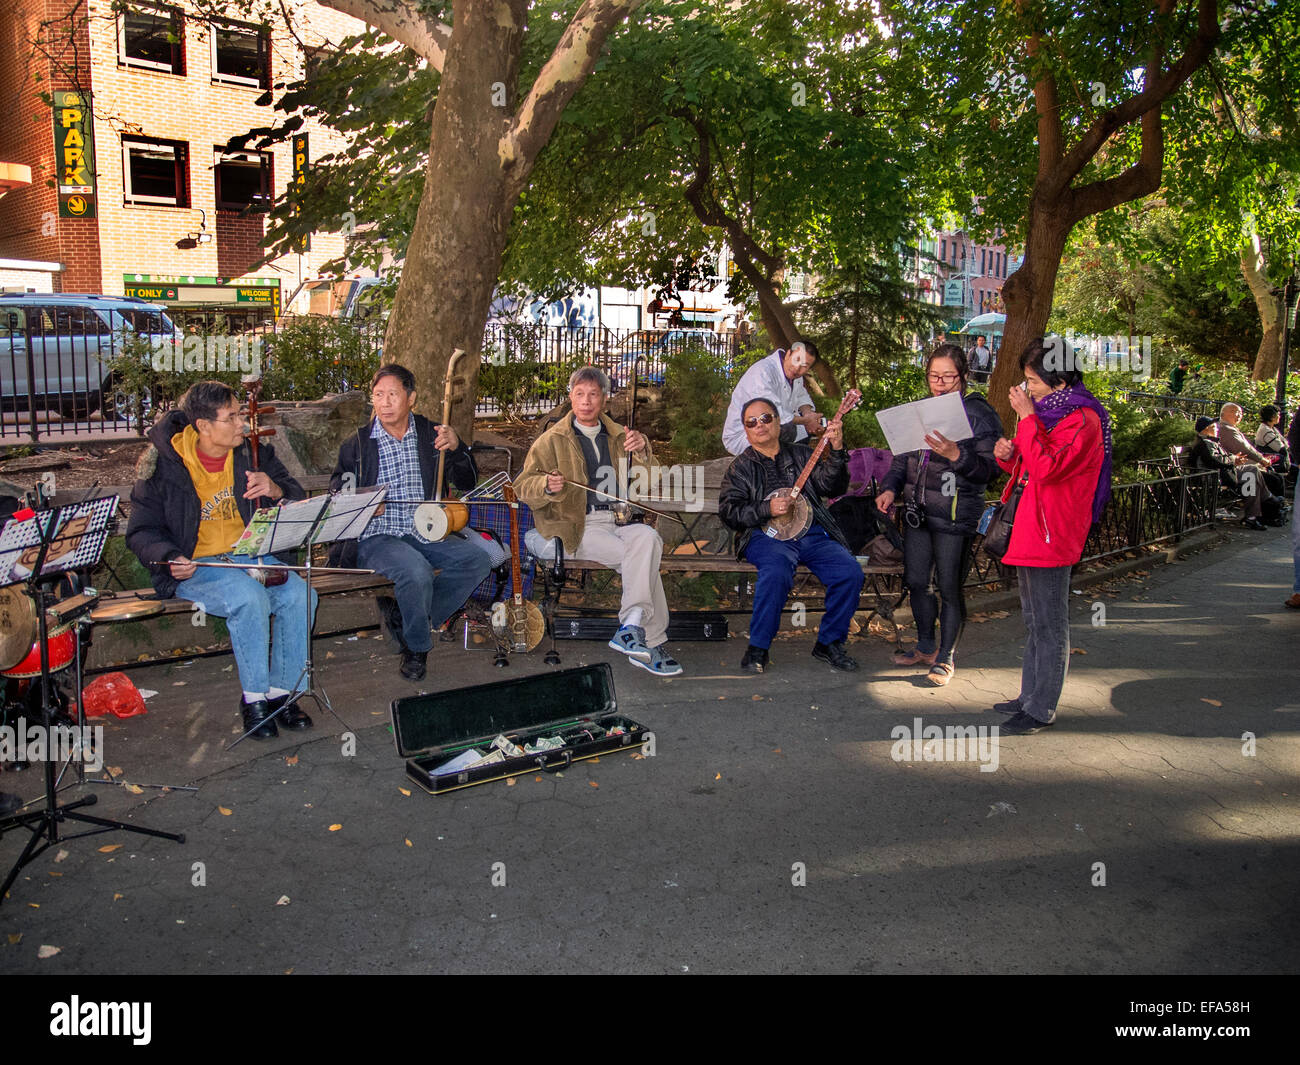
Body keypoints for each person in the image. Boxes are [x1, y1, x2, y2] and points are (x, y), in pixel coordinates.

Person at [125, 381, 318, 739]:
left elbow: (295, 496)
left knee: (300, 595)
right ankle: (255, 698)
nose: (242, 424)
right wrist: (169, 557)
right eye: (231, 417)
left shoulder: (253, 454)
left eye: (241, 414)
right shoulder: (163, 466)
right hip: (200, 565)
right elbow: (140, 532)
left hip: (251, 554)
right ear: (203, 426)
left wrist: (276, 491)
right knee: (248, 598)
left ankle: (283, 694)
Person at [515, 366, 682, 677]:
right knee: (641, 559)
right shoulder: (550, 441)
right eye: (580, 394)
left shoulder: (620, 437)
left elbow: (648, 482)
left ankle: (632, 630)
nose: (586, 401)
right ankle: (647, 638)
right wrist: (545, 487)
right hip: (573, 528)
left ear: (605, 399)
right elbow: (523, 487)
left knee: (648, 539)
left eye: (593, 394)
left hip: (616, 522)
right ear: (570, 398)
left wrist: (644, 452)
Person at [329, 364, 491, 682]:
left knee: (477, 559)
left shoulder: (432, 436)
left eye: (393, 394)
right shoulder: (358, 445)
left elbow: (468, 481)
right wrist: (363, 502)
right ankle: (416, 648)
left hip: (426, 528)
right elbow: (339, 492)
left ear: (411, 397)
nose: (385, 402)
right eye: (378, 395)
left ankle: (405, 618)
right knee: (415, 572)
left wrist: (459, 449)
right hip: (378, 536)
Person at [990, 339, 1111, 735]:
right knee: (1033, 619)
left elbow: (1047, 469)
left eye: (1032, 381)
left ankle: (1041, 707)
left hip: (1052, 531)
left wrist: (1025, 420)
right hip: (1032, 524)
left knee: (1049, 623)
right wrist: (1007, 453)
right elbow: (1027, 465)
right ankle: (1030, 695)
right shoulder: (1053, 413)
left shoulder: (1082, 419)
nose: (1027, 390)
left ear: (1056, 379)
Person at [876, 344, 1003, 686]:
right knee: (917, 581)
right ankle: (926, 646)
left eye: (948, 376)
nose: (941, 384)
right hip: (919, 512)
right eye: (934, 376)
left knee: (949, 586)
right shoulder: (921, 410)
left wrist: (956, 454)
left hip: (955, 513)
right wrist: (889, 488)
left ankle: (946, 658)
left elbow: (991, 470)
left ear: (963, 376)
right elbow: (901, 459)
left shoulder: (979, 414)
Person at [719, 396, 864, 674]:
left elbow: (832, 487)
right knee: (776, 571)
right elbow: (729, 512)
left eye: (765, 418)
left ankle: (829, 643)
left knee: (850, 572)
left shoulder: (800, 455)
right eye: (751, 422)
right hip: (765, 535)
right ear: (746, 430)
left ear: (777, 422)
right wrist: (765, 508)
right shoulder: (740, 468)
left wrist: (836, 449)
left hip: (811, 533)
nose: (759, 425)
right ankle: (758, 647)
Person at [722, 340, 821, 456]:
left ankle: (792, 469)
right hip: (744, 434)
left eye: (805, 366)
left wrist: (808, 414)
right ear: (788, 354)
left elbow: (802, 397)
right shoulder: (763, 371)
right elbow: (773, 414)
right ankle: (773, 467)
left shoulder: (795, 376)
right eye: (797, 359)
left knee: (803, 433)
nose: (797, 368)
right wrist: (806, 421)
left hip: (767, 428)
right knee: (787, 429)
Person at [1190, 416, 1274, 530]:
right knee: (1250, 476)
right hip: (1215, 476)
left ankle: (1254, 513)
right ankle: (1258, 508)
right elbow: (1214, 460)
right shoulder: (1205, 443)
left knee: (1251, 472)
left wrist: (1234, 458)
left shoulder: (1209, 441)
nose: (1217, 429)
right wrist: (1234, 460)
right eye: (1214, 427)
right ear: (1206, 429)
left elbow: (1221, 457)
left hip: (1222, 473)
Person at [1217, 403, 1286, 499]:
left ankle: (1274, 504)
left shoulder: (1230, 428)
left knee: (1276, 477)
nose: (1239, 416)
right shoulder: (1225, 429)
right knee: (1274, 479)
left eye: (1240, 413)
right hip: (1234, 470)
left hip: (1241, 466)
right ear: (1223, 413)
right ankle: (1271, 505)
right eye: (1235, 412)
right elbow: (1244, 448)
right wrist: (1261, 459)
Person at [1255, 405, 1290, 472]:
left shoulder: (1271, 428)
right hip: (1269, 460)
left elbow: (1285, 443)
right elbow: (1281, 448)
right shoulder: (1265, 430)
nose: (1279, 417)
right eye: (1278, 415)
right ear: (1271, 417)